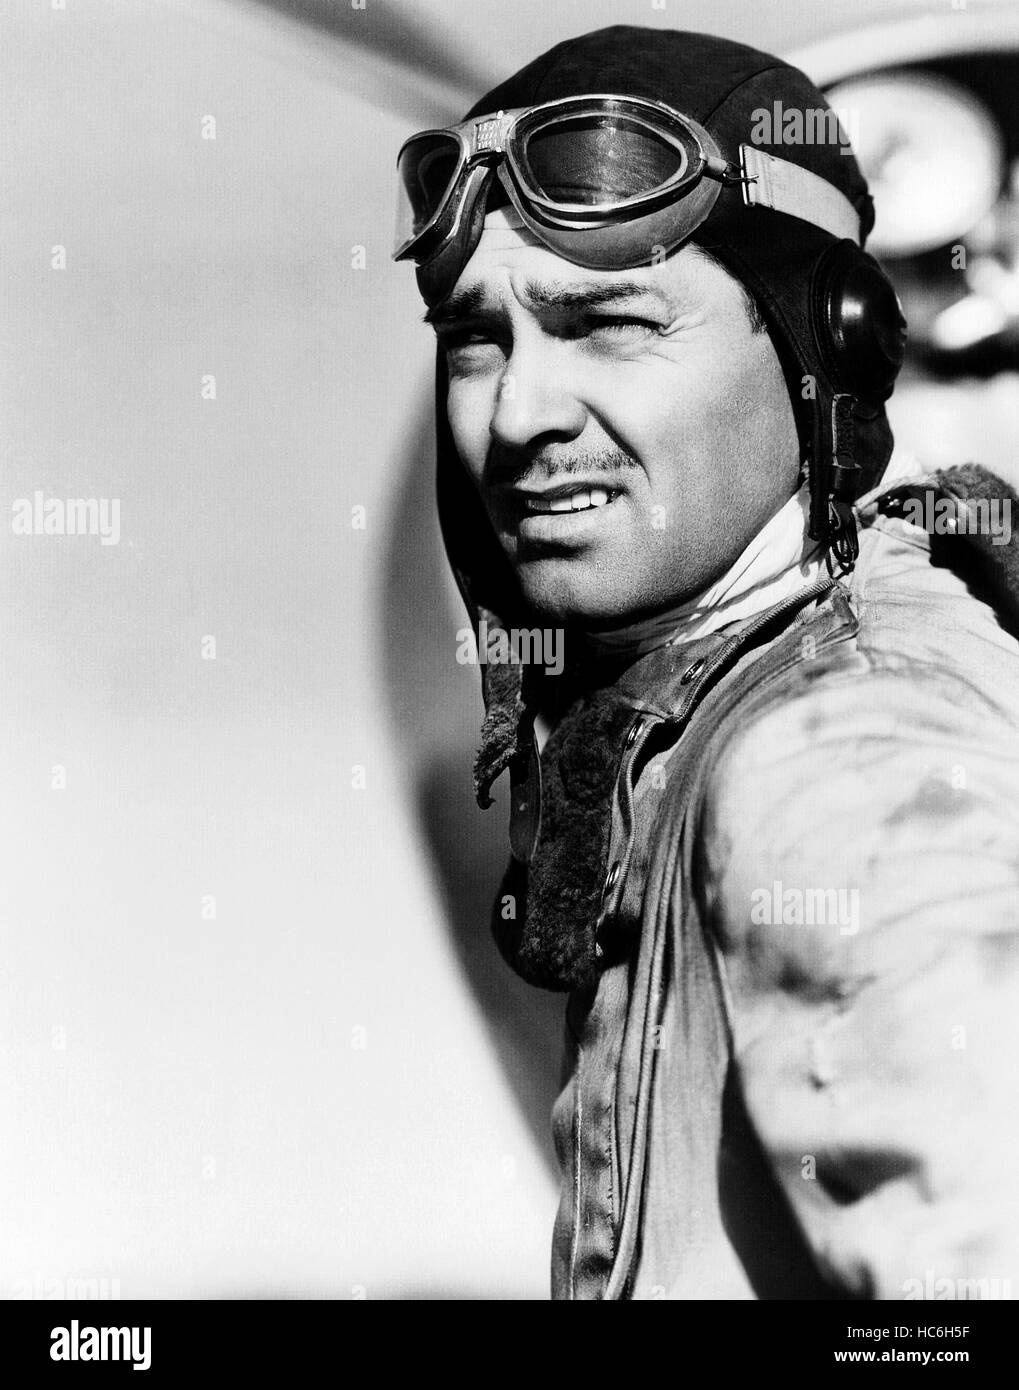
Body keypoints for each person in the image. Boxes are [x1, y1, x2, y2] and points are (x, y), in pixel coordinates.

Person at [393, 25, 1019, 1299]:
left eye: (609, 323)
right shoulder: (705, 718)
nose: (517, 415)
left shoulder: (833, 750)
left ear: (819, 353)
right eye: (476, 339)